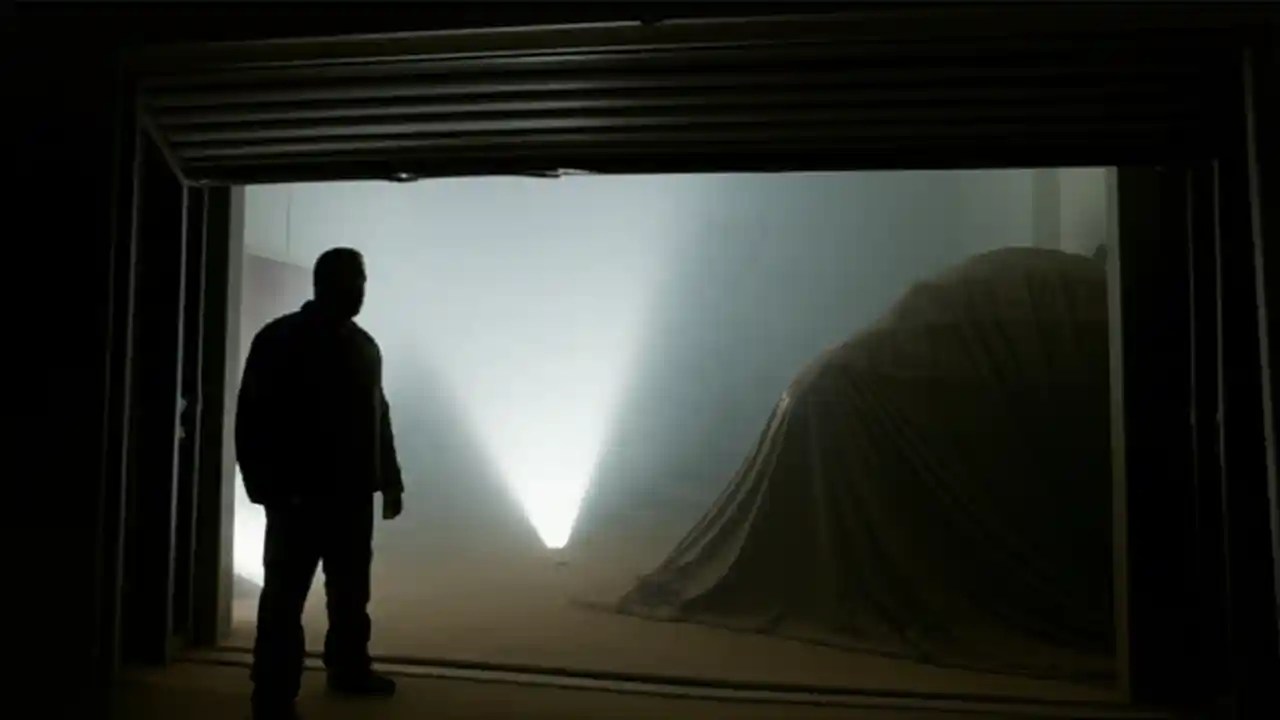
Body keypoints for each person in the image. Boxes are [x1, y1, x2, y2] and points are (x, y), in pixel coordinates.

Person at [236, 247, 404, 719]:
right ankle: (279, 690)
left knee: (341, 593)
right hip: (305, 496)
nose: (360, 291)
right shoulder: (333, 343)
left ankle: (333, 672)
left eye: (362, 281)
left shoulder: (298, 339)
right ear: (329, 284)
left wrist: (389, 480)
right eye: (356, 281)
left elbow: (379, 416)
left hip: (331, 496)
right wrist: (267, 488)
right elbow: (253, 416)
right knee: (290, 599)